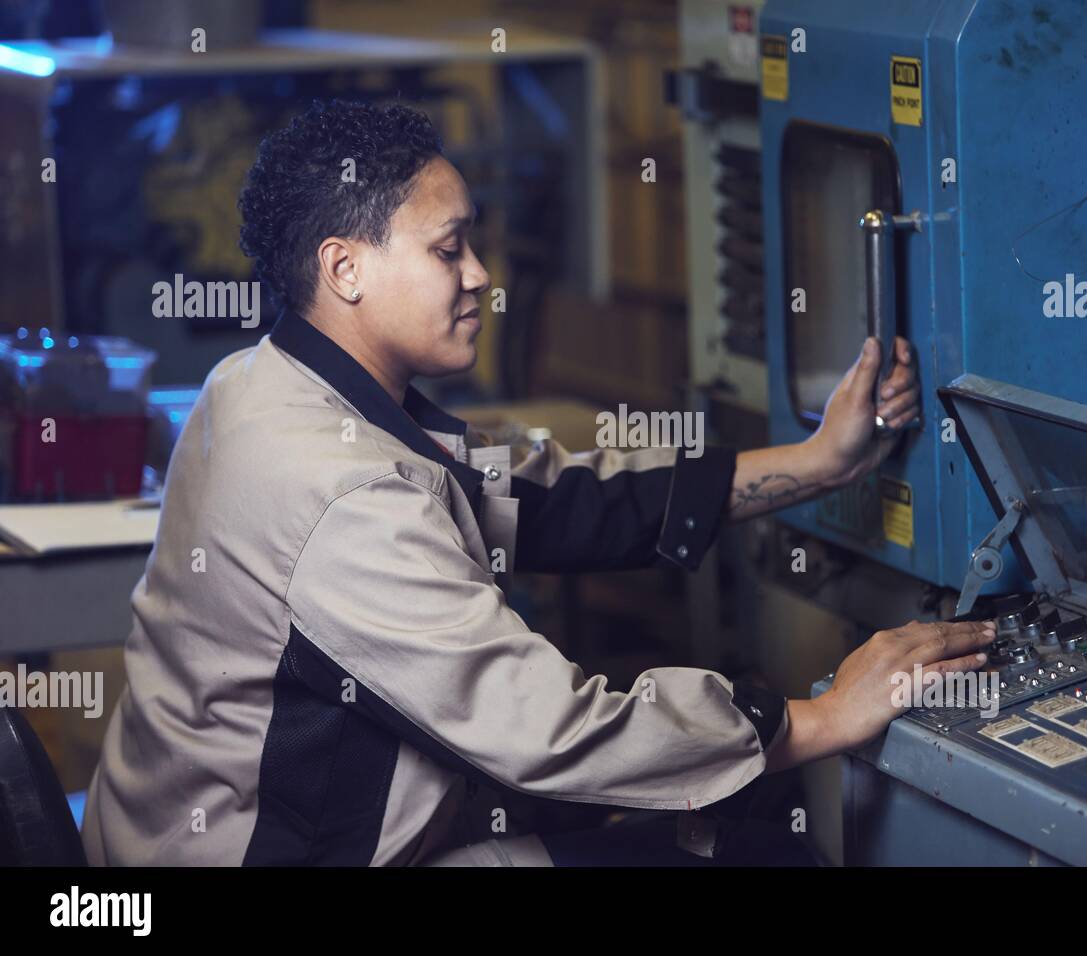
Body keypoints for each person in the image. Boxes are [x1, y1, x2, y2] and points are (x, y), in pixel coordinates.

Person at [82, 100, 993, 866]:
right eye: (449, 250)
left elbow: (556, 500)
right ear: (344, 267)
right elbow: (546, 731)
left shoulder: (260, 380)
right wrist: (823, 717)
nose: (481, 276)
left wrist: (821, 460)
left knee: (718, 812)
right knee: (752, 844)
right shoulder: (342, 494)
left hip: (196, 831)